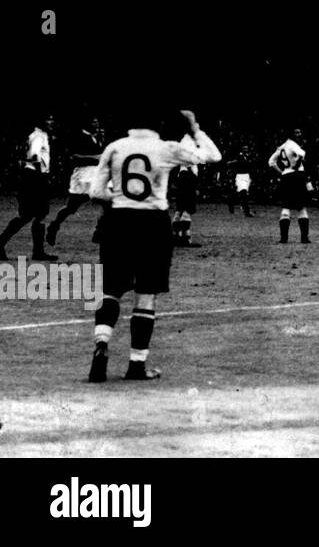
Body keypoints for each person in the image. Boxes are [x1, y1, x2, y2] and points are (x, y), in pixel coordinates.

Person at [88, 109, 221, 382]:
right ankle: (137, 365)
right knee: (146, 294)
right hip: (153, 224)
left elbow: (96, 192)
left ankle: (101, 344)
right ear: (159, 124)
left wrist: (121, 198)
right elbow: (213, 156)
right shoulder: (166, 148)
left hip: (118, 220)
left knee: (110, 290)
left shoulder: (114, 147)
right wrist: (195, 129)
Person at [47, 117, 106, 250]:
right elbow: (74, 157)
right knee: (72, 207)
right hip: (82, 176)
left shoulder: (96, 136)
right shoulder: (79, 137)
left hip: (95, 174)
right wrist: (96, 158)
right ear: (87, 124)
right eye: (94, 122)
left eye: (97, 122)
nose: (96, 125)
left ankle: (99, 231)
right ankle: (54, 225)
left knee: (108, 203)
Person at [0, 116, 54, 261]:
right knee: (32, 214)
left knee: (35, 214)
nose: (51, 121)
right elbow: (34, 155)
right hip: (34, 177)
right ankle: (37, 251)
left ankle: (38, 251)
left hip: (34, 176)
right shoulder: (38, 136)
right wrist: (41, 177)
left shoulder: (41, 135)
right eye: (48, 119)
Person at [269, 129, 310, 244]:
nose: (299, 134)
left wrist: (282, 172)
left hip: (286, 177)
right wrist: (297, 164)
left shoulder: (281, 147)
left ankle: (284, 238)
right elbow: (303, 154)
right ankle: (304, 238)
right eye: (297, 132)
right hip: (297, 176)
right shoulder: (293, 145)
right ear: (292, 135)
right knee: (302, 208)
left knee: (286, 207)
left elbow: (271, 162)